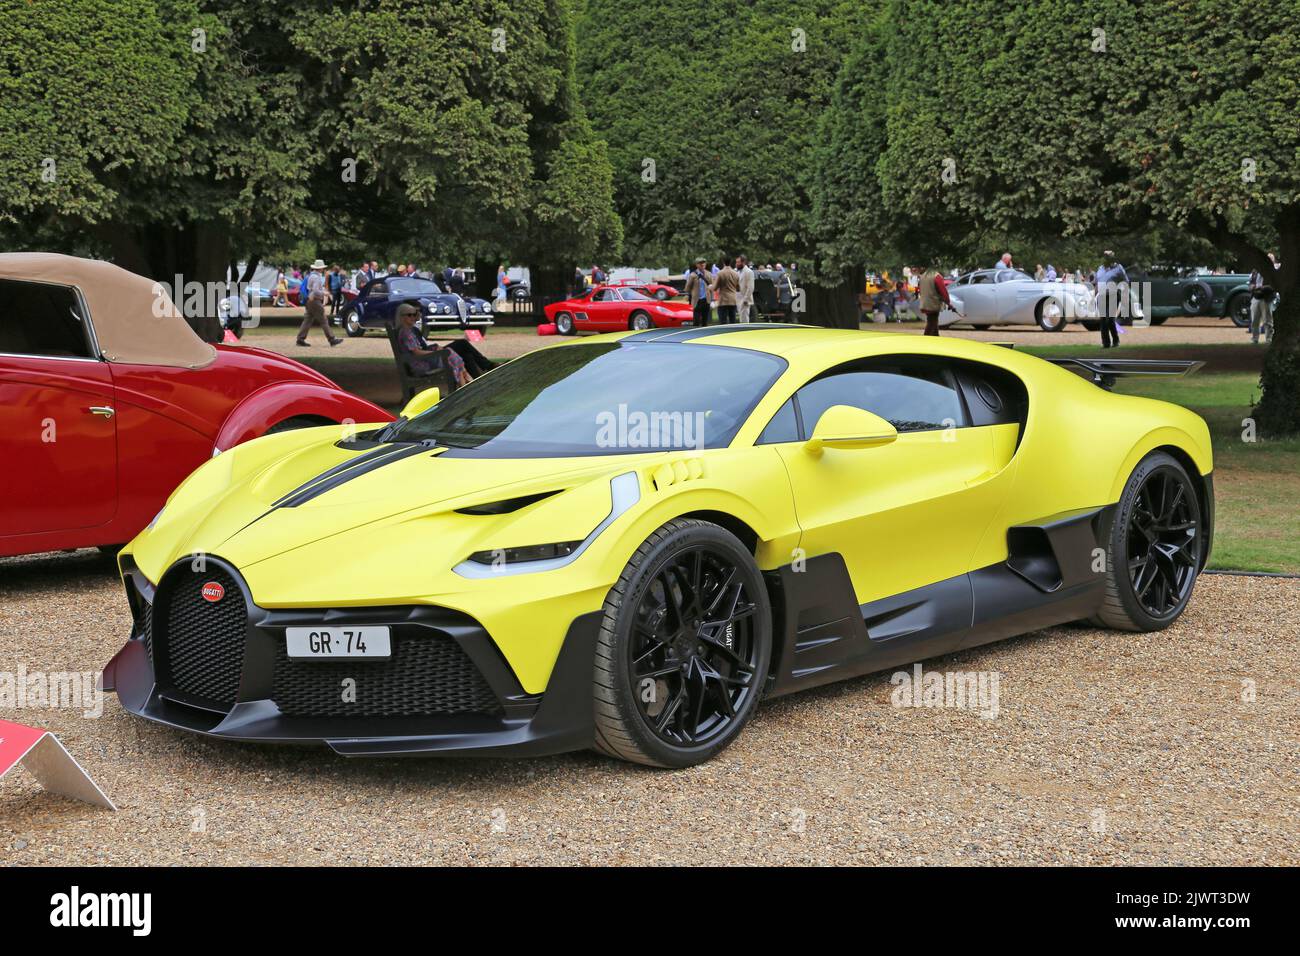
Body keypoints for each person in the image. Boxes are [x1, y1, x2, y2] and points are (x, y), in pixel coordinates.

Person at [395, 303, 492, 385]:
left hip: (426, 357)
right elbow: (416, 352)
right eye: (409, 315)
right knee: (459, 346)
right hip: (423, 362)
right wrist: (435, 351)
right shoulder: (406, 332)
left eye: (414, 314)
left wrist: (435, 348)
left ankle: (475, 382)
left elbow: (419, 344)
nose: (413, 317)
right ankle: (469, 383)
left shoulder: (410, 329)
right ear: (401, 317)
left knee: (466, 355)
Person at [1094, 250, 1128, 349]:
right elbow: (1097, 282)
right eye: (1104, 257)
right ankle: (1106, 343)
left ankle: (1116, 340)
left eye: (1107, 257)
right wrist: (1094, 295)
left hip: (1113, 295)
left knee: (1110, 319)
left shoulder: (1118, 268)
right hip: (1102, 296)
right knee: (1103, 320)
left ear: (1112, 258)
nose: (1105, 259)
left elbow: (1125, 281)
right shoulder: (1100, 268)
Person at [915, 264, 951, 336]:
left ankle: (935, 336)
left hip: (925, 303)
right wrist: (948, 301)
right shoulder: (936, 276)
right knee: (932, 322)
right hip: (933, 303)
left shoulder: (922, 276)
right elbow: (943, 291)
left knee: (933, 321)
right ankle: (926, 339)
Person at [1248, 266, 1275, 345]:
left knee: (1268, 321)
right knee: (1254, 321)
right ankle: (1254, 339)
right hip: (1255, 298)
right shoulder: (1254, 272)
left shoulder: (1270, 272)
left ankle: (1269, 340)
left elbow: (1272, 286)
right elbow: (1250, 284)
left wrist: (1261, 287)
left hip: (1266, 299)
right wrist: (1251, 287)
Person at [711, 256, 740, 324]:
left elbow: (715, 288)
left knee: (723, 321)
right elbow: (738, 288)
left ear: (723, 262)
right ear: (731, 262)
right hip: (733, 300)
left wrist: (710, 287)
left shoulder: (720, 273)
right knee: (732, 321)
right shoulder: (736, 273)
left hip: (723, 300)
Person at [685, 257, 712, 326]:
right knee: (696, 322)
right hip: (697, 301)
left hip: (706, 300)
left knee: (705, 322)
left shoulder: (709, 274)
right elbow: (687, 288)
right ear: (697, 265)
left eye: (703, 263)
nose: (702, 264)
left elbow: (712, 286)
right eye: (700, 263)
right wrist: (689, 294)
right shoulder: (693, 275)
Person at [736, 255, 755, 323]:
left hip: (744, 299)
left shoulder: (749, 272)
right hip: (738, 298)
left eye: (738, 262)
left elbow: (751, 287)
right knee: (741, 318)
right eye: (736, 262)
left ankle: (745, 332)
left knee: (745, 319)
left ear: (743, 262)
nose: (736, 264)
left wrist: (745, 299)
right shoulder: (738, 272)